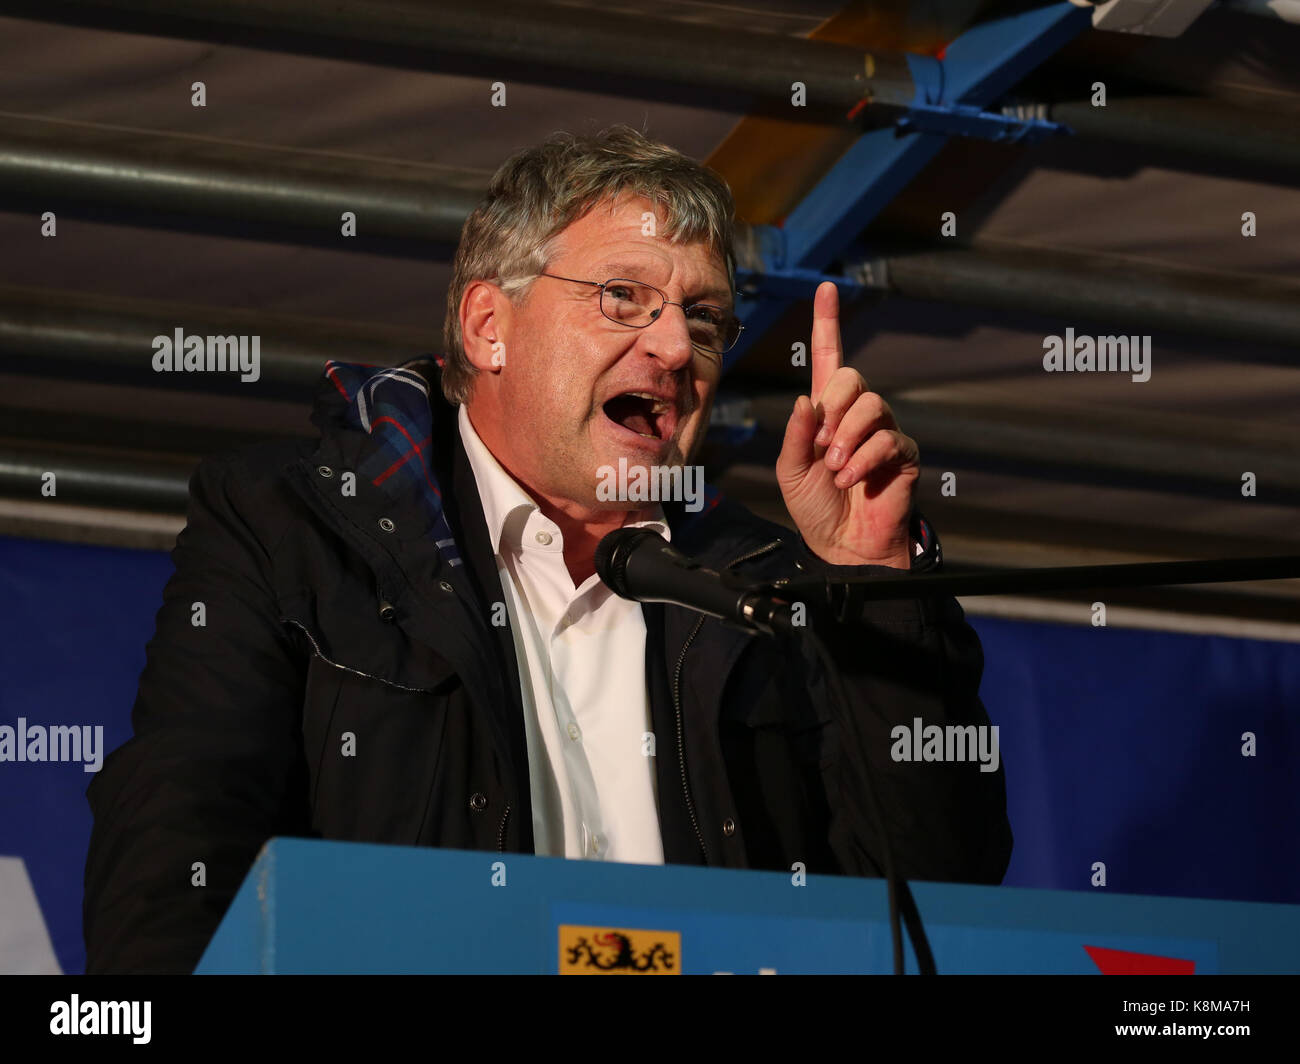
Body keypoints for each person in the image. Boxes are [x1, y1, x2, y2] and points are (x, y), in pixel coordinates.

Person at [83, 125, 1011, 973]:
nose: (675, 345)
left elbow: (935, 901)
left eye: (705, 319)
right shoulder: (293, 528)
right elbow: (176, 860)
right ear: (490, 327)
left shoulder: (763, 585)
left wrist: (878, 584)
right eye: (624, 298)